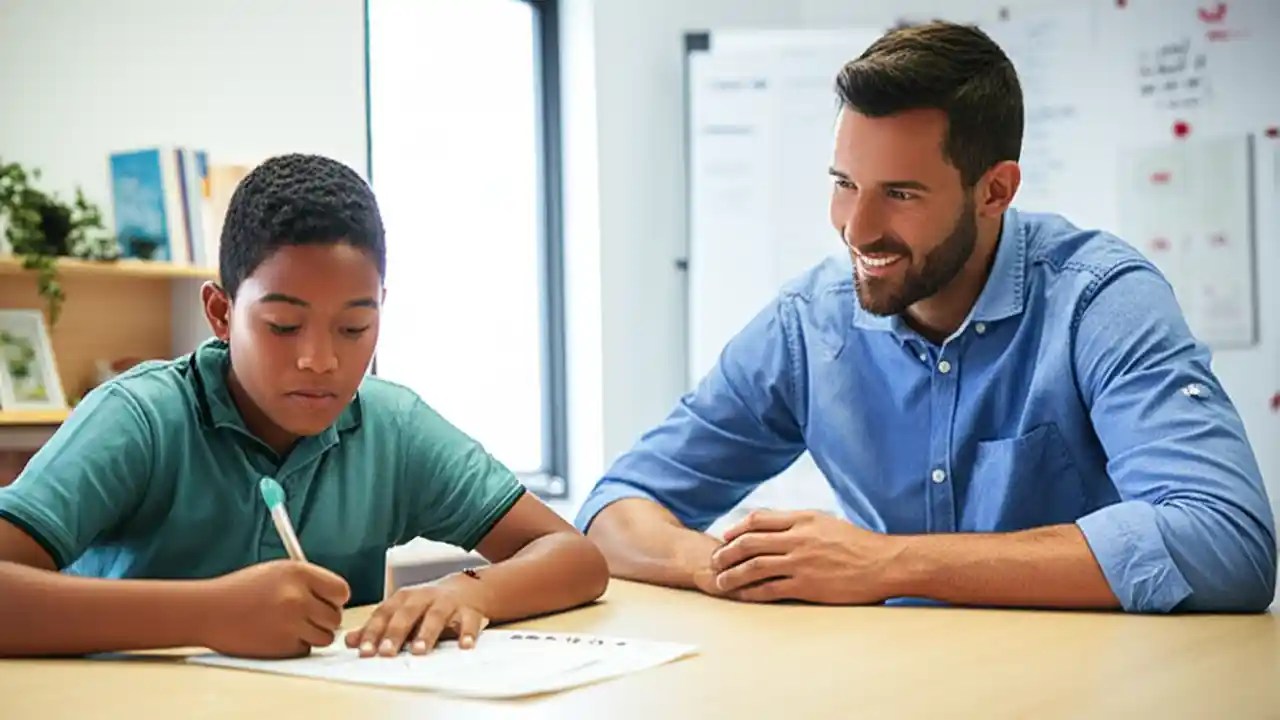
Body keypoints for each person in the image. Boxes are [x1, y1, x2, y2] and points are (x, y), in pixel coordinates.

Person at [576, 21, 1276, 613]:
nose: (857, 228)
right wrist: (724, 567)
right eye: (844, 184)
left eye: (901, 194)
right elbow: (615, 510)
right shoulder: (808, 324)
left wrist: (888, 564)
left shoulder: (1099, 301)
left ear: (995, 190)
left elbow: (1226, 542)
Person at [0, 153, 608, 659]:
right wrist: (208, 615)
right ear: (221, 313)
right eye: (284, 326)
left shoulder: (391, 427)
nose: (320, 360)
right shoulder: (140, 419)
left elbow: (575, 557)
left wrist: (472, 591)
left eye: (353, 329)